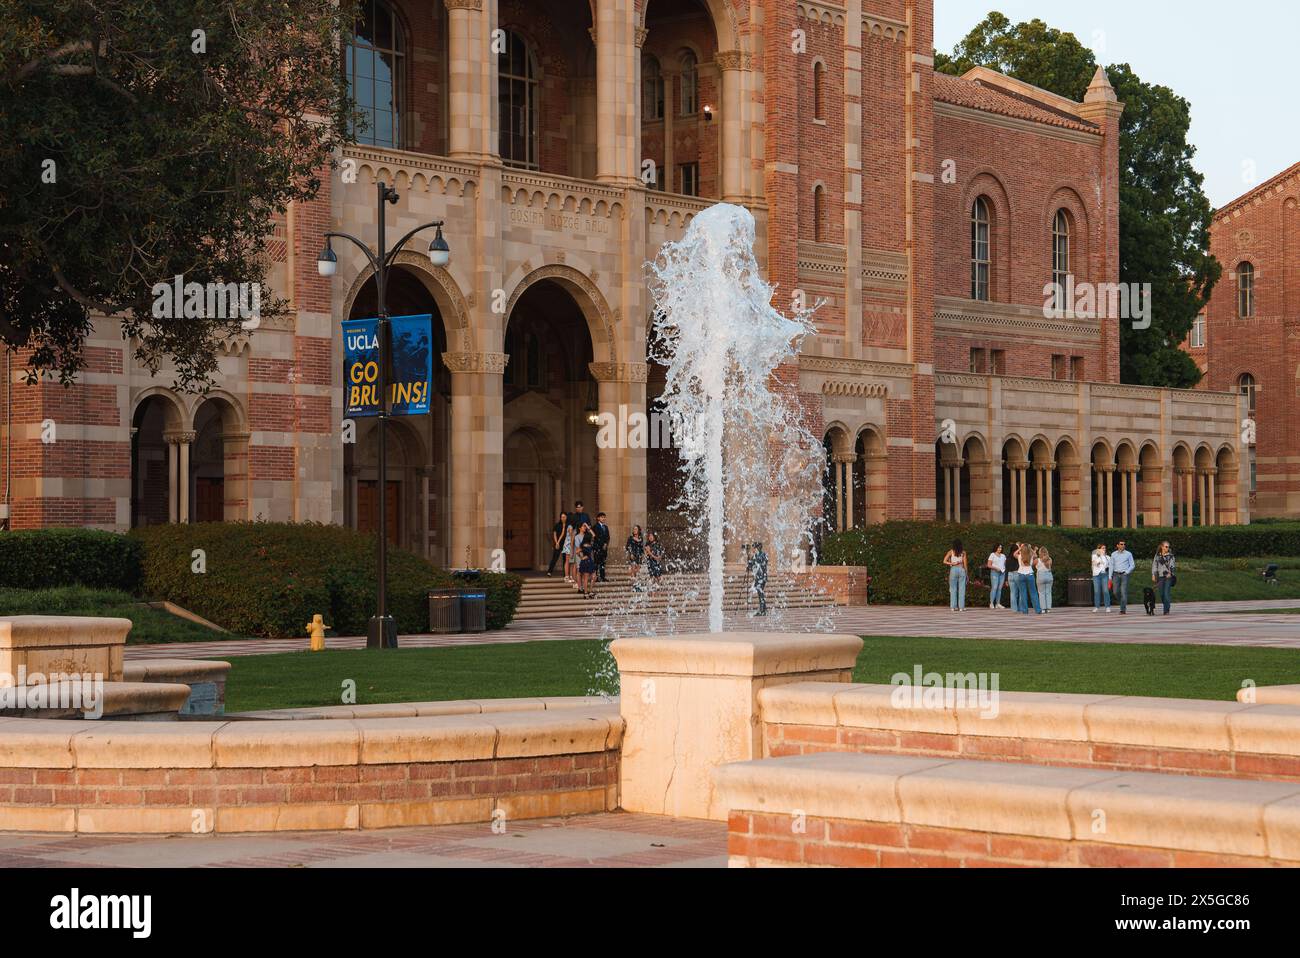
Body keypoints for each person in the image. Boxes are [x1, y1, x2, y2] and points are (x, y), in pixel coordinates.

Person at [1152, 540, 1177, 615]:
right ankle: (1166, 605)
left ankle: (1166, 610)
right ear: (1162, 547)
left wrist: (1170, 573)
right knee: (1162, 594)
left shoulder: (1171, 556)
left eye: (1168, 547)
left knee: (1166, 593)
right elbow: (1154, 565)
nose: (1167, 548)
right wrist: (1153, 574)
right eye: (1166, 547)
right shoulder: (1157, 556)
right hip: (1160, 577)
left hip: (1168, 577)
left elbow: (1172, 566)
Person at [1111, 539, 1135, 614]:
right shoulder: (1113, 554)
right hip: (1115, 574)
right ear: (1117, 545)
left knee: (1123, 592)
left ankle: (1122, 609)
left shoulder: (1128, 554)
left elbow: (1132, 565)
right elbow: (1111, 565)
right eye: (1121, 544)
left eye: (1124, 544)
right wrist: (1109, 576)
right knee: (1115, 592)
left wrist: (1127, 572)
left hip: (1125, 575)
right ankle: (1122, 602)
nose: (1123, 545)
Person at [944, 539, 968, 612]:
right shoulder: (963, 552)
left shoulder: (951, 551)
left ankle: (953, 607)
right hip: (961, 569)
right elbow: (965, 564)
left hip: (953, 569)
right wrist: (966, 574)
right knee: (962, 589)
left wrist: (952, 563)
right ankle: (961, 607)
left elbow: (944, 561)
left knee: (953, 588)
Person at [747, 541, 769, 616]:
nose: (754, 549)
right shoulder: (755, 555)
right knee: (760, 592)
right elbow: (752, 566)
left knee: (760, 592)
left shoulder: (763, 555)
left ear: (759, 547)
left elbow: (763, 564)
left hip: (762, 577)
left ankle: (763, 610)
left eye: (755, 547)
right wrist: (749, 563)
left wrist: (754, 561)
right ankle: (764, 609)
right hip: (758, 577)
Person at [1019, 543, 1040, 614]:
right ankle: (1037, 610)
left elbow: (1014, 554)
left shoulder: (1019, 556)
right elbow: (1036, 557)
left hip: (1021, 574)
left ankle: (1025, 610)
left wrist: (1020, 548)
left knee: (1023, 593)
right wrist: (1030, 548)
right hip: (1030, 574)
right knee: (1033, 592)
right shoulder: (1031, 556)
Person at [1091, 543, 1112, 612]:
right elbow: (1095, 564)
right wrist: (1099, 556)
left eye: (1105, 548)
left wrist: (1109, 576)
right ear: (1099, 549)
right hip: (1096, 575)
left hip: (1104, 575)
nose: (1104, 549)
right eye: (1102, 548)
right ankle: (1097, 606)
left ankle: (1107, 607)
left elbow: (1110, 567)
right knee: (1097, 591)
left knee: (1105, 591)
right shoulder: (1094, 556)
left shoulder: (1108, 557)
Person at [576, 522, 596, 597]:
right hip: (585, 562)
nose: (591, 538)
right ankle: (586, 593)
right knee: (586, 577)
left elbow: (594, 535)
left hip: (590, 561)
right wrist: (582, 557)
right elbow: (577, 552)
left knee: (594, 576)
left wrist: (587, 526)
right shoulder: (583, 545)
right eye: (590, 537)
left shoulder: (590, 544)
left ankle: (590, 591)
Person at [546, 511, 567, 577]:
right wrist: (556, 542)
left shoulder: (568, 526)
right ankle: (549, 571)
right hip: (558, 543)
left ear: (566, 517)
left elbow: (565, 534)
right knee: (555, 558)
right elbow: (554, 534)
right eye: (562, 517)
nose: (563, 518)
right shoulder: (557, 525)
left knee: (565, 559)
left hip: (565, 544)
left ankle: (565, 573)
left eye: (564, 517)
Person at [986, 544, 1007, 609]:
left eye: (1001, 548)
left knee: (999, 589)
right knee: (994, 588)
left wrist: (1004, 569)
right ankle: (991, 603)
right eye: (998, 548)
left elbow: (1004, 564)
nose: (1000, 549)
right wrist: (995, 568)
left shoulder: (1003, 555)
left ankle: (998, 603)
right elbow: (988, 565)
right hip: (994, 572)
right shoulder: (992, 554)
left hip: (1002, 573)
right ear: (996, 548)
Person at [593, 512, 610, 583]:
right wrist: (602, 544)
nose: (603, 518)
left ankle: (603, 577)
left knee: (603, 563)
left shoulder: (606, 527)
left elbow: (608, 537)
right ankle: (596, 577)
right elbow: (596, 537)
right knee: (596, 563)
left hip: (604, 548)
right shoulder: (595, 527)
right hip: (597, 547)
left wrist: (606, 544)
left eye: (604, 517)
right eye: (602, 517)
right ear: (598, 518)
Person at [1035, 547, 1054, 613]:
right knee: (1048, 592)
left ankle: (1043, 608)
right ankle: (1048, 608)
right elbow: (1049, 566)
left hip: (1040, 576)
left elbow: (1031, 564)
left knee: (1041, 593)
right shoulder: (1050, 559)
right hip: (1049, 575)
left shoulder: (1037, 560)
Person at [562, 516, 575, 583]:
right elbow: (571, 535)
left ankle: (570, 576)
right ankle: (567, 576)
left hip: (569, 545)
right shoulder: (570, 526)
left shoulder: (570, 526)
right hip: (568, 545)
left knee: (571, 562)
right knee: (568, 561)